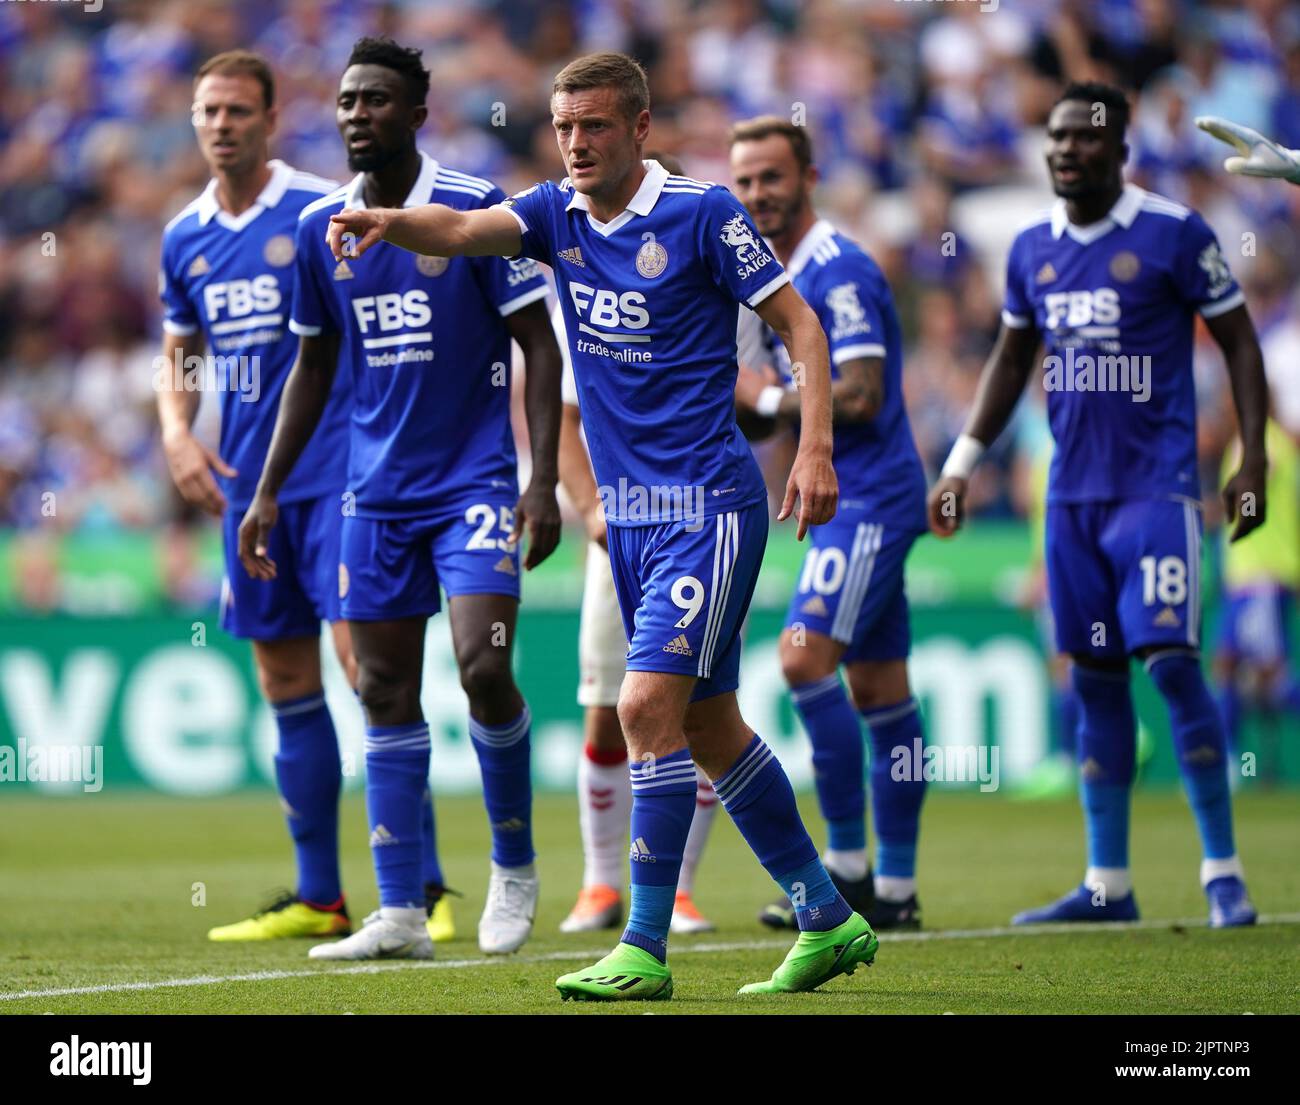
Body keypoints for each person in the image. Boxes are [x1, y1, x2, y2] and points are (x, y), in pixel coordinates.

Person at [327, 51, 879, 1000]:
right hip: (628, 522)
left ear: (639, 128)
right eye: (564, 126)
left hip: (706, 505)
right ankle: (826, 914)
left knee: (639, 712)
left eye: (594, 126)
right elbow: (460, 226)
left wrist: (817, 449)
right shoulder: (554, 216)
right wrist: (386, 219)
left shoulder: (702, 215)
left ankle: (644, 946)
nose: (576, 143)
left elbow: (803, 327)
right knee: (711, 728)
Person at [239, 37, 562, 959]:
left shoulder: (472, 211)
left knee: (483, 666)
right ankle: (402, 914)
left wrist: (539, 478)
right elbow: (313, 363)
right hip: (372, 495)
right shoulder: (320, 231)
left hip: (473, 484)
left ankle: (513, 865)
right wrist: (267, 491)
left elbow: (537, 342)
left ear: (416, 114)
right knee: (381, 688)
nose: (355, 115)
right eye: (345, 101)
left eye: (375, 100)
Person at [930, 82, 1267, 928]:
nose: (1066, 151)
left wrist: (1250, 453)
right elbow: (1010, 360)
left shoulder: (1174, 232)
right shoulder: (1030, 246)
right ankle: (1107, 884)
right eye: (1055, 139)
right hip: (1068, 500)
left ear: (1121, 150)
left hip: (1154, 490)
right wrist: (963, 460)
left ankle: (1223, 871)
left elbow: (1238, 340)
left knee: (1173, 663)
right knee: (1095, 679)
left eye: (1084, 139)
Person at [158, 49, 452, 944]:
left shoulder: (323, 208)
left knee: (370, 674)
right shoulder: (184, 236)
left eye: (238, 111)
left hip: (341, 481)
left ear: (272, 117)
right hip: (252, 487)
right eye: (207, 111)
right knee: (284, 677)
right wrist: (178, 431)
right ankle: (320, 892)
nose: (221, 124)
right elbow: (181, 350)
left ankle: (425, 888)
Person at [729, 117, 929, 932]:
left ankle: (844, 867)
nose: (755, 195)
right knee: (880, 688)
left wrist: (768, 398)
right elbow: (757, 417)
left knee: (803, 658)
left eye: (771, 178)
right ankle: (900, 887)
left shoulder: (835, 271)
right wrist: (744, 399)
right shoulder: (765, 275)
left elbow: (860, 394)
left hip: (868, 495)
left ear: (807, 177)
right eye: (742, 182)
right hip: (849, 499)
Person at [553, 160, 719, 938]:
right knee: (604, 714)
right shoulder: (582, 277)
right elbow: (560, 419)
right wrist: (589, 509)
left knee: (698, 711)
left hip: (699, 523)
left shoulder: (714, 271)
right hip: (615, 527)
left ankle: (679, 888)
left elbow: (747, 397)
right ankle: (597, 884)